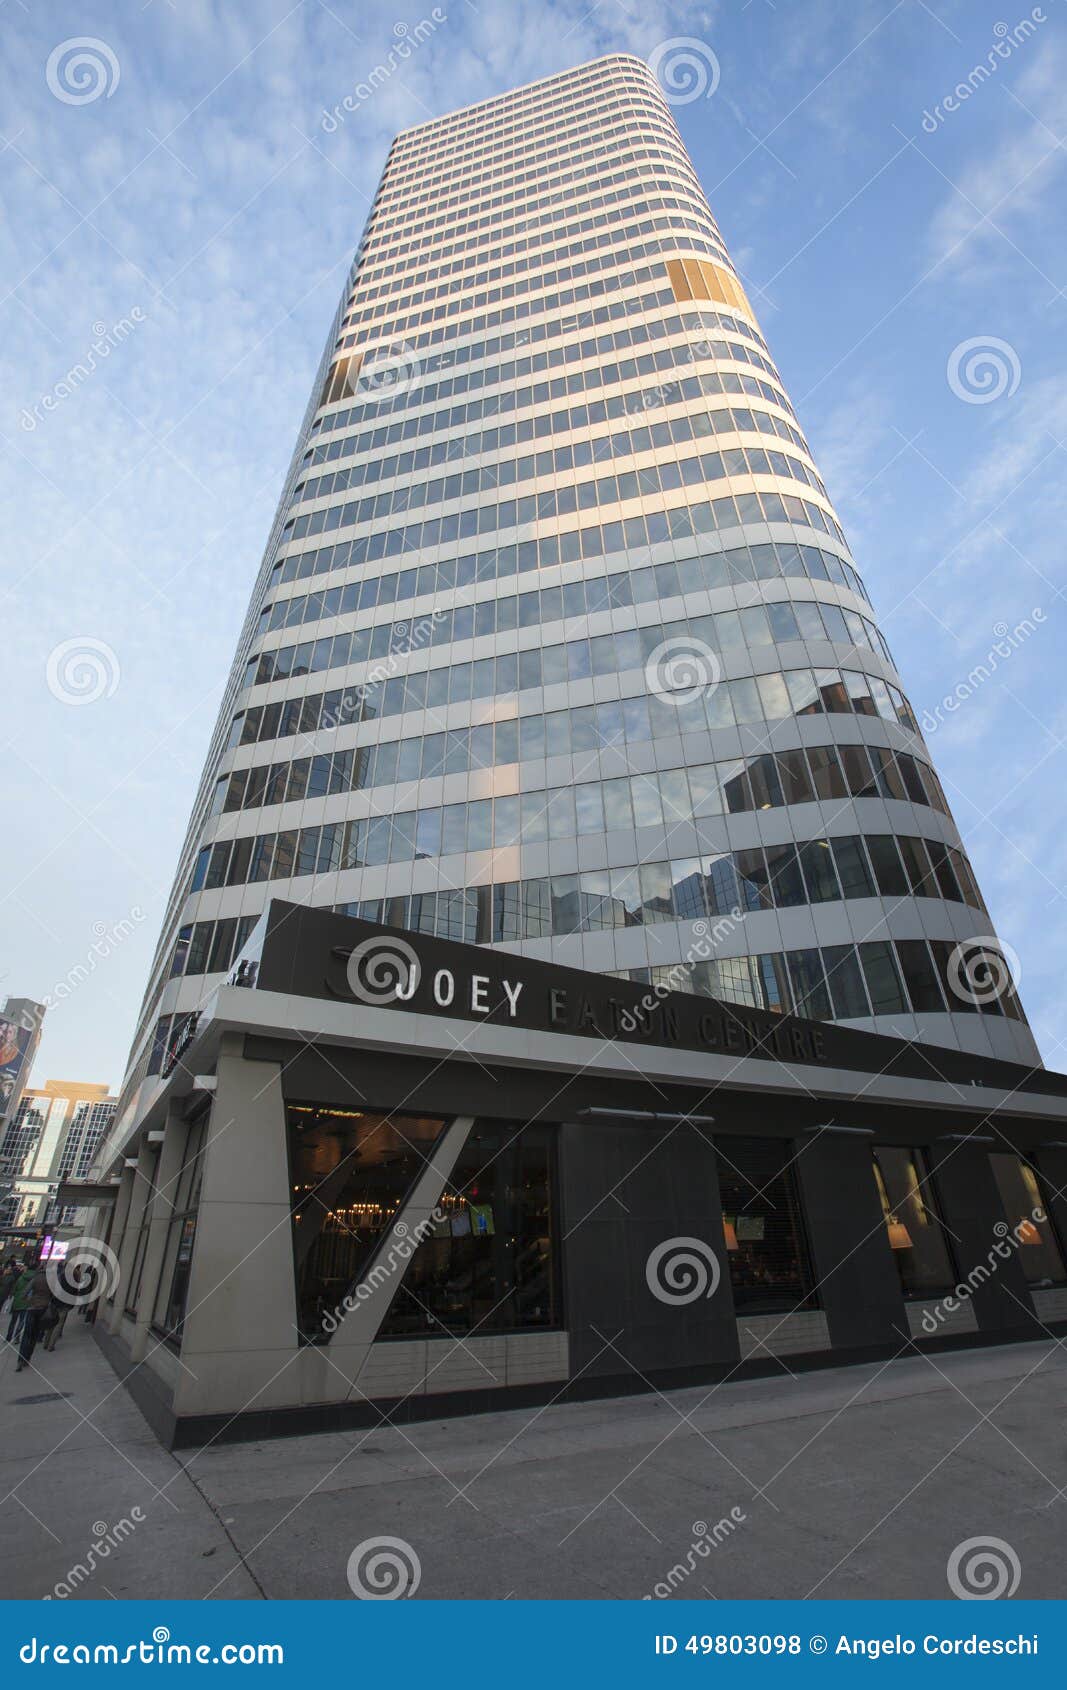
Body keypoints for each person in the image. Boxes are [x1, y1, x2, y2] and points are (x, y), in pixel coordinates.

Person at [15, 1264, 53, 1371]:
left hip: (32, 1309)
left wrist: (29, 1301)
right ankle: (27, 1358)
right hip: (43, 1310)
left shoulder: (35, 1279)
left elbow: (24, 1293)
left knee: (27, 1335)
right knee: (34, 1335)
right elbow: (54, 1295)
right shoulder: (51, 1281)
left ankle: (20, 1360)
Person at [5, 1262, 34, 1345]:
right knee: (21, 1321)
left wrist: (12, 1295)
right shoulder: (34, 1279)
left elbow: (14, 1290)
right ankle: (16, 1338)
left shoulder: (21, 1278)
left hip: (17, 1302)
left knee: (13, 1321)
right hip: (27, 1303)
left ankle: (8, 1337)